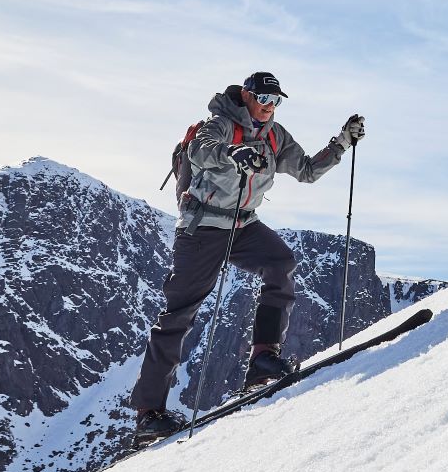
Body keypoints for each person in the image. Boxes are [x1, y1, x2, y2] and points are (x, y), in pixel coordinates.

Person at [128, 71, 365, 440]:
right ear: (247, 95)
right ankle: (148, 414)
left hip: (243, 225)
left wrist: (342, 143)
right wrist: (232, 154)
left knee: (281, 264)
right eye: (264, 99)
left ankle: (263, 358)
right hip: (202, 229)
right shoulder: (220, 124)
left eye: (276, 101)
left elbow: (305, 171)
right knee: (179, 314)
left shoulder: (275, 136)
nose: (270, 107)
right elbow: (200, 150)